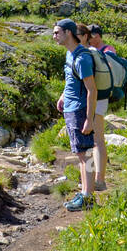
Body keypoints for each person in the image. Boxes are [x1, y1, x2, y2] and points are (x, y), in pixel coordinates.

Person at [52, 18, 98, 210]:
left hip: (79, 110)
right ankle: (85, 193)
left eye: (57, 32)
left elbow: (92, 90)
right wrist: (63, 96)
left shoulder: (82, 58)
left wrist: (88, 119)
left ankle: (88, 197)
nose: (54, 36)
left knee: (86, 154)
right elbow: (71, 79)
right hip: (71, 107)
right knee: (81, 153)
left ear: (68, 33)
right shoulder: (70, 55)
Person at [77, 24, 109, 192]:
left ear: (84, 36)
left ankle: (95, 182)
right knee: (98, 140)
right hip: (101, 99)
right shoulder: (94, 52)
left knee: (92, 142)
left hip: (92, 100)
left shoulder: (85, 54)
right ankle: (97, 179)